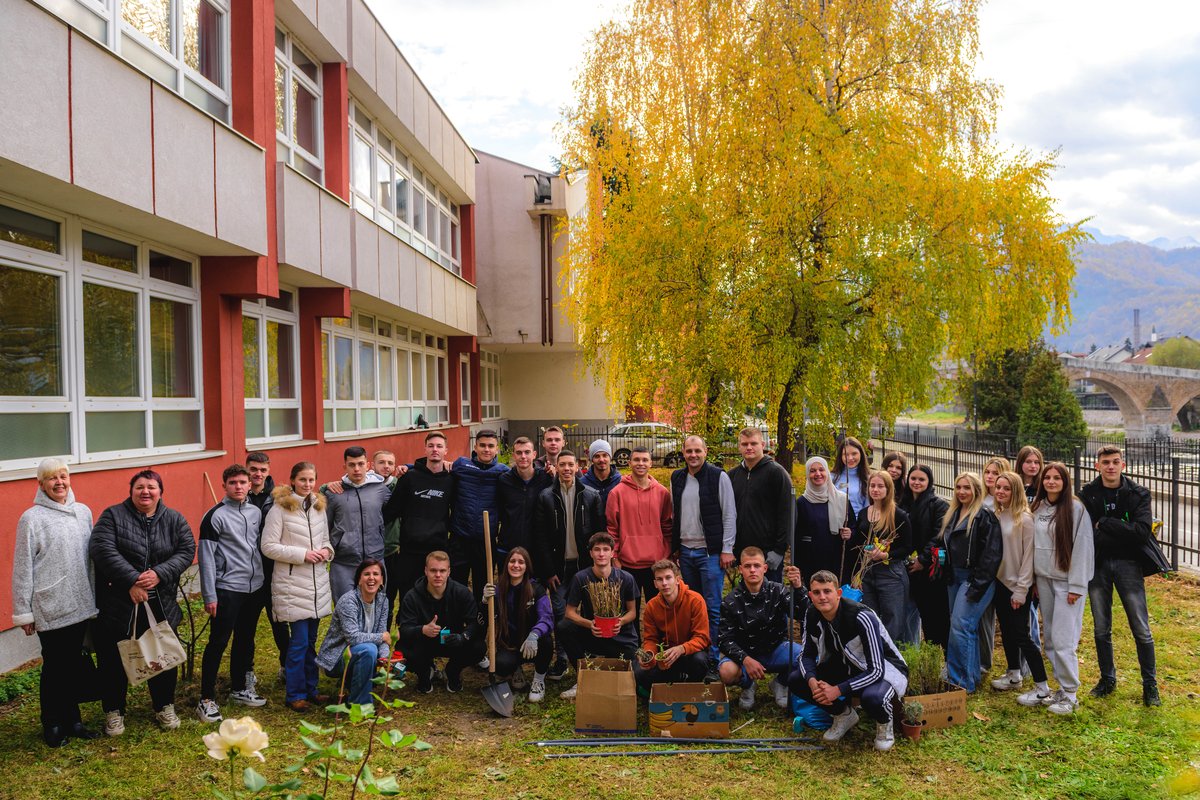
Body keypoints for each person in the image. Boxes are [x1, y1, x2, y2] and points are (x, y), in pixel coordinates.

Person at [90, 470, 195, 735]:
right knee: (113, 659)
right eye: (139, 487)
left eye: (151, 487)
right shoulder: (112, 516)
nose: (145, 492)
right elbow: (102, 548)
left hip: (161, 600)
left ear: (161, 492)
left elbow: (186, 549)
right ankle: (114, 712)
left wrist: (160, 573)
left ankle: (164, 706)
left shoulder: (173, 519)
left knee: (163, 655)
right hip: (119, 603)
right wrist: (131, 582)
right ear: (131, 490)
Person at [12, 458, 100, 746]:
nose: (59, 482)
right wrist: (23, 612)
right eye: (52, 478)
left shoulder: (83, 512)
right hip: (51, 604)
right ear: (41, 484)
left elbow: (90, 559)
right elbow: (23, 567)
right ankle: (52, 723)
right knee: (54, 667)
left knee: (74, 664)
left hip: (82, 603)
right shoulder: (31, 518)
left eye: (63, 476)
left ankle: (73, 721)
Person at [1079, 445, 1166, 706]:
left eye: (1115, 462)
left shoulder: (1138, 493)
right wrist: (1121, 529)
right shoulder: (1088, 494)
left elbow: (1141, 532)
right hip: (1099, 564)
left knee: (1140, 627)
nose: (1111, 467)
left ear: (1123, 465)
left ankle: (1150, 686)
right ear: (1097, 466)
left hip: (1129, 564)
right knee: (1101, 626)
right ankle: (1107, 679)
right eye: (1105, 462)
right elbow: (1086, 534)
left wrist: (1105, 522)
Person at [788, 570, 909, 752]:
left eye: (827, 591)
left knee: (873, 698)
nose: (822, 597)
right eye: (817, 592)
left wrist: (837, 690)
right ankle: (843, 715)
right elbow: (805, 655)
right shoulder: (811, 614)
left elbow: (876, 670)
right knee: (797, 679)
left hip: (884, 670)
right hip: (845, 666)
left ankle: (884, 724)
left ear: (838, 594)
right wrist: (813, 683)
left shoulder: (862, 616)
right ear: (810, 595)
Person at [260, 461, 335, 712]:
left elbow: (326, 539)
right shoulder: (280, 509)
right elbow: (268, 546)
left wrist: (327, 550)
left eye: (311, 480)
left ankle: (312, 689)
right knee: (299, 642)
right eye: (302, 479)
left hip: (316, 585)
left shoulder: (318, 506)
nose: (307, 484)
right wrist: (302, 554)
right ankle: (295, 693)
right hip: (293, 584)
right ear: (292, 480)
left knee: (311, 641)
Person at [197, 465, 268, 723]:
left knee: (245, 640)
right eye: (233, 483)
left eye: (242, 482)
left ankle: (239, 688)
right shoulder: (214, 516)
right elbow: (205, 558)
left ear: (250, 485)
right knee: (218, 642)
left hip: (254, 588)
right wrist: (209, 595)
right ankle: (206, 698)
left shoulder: (256, 512)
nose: (238, 487)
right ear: (225, 485)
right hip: (227, 589)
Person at [919, 472, 1001, 693]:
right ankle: (970, 677)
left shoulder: (984, 516)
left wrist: (978, 584)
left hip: (974, 579)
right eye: (959, 487)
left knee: (960, 627)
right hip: (954, 578)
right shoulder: (953, 513)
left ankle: (960, 681)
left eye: (967, 488)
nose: (962, 492)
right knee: (964, 627)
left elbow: (991, 555)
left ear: (976, 490)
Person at [532, 449, 605, 680]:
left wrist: (598, 566)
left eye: (570, 465)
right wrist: (548, 571)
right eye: (562, 464)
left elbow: (599, 533)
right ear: (558, 467)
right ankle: (563, 659)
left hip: (585, 567)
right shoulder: (545, 496)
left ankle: (590, 655)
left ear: (577, 467)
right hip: (558, 569)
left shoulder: (591, 495)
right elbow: (540, 538)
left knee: (590, 611)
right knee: (561, 615)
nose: (566, 469)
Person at [1027, 462, 1093, 715]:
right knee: (1052, 640)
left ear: (1065, 482)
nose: (1051, 482)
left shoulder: (1076, 509)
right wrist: (1033, 580)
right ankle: (1061, 689)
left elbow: (1084, 547)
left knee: (1065, 640)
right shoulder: (1038, 508)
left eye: (1057, 478)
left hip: (1068, 584)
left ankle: (1071, 694)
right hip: (1044, 581)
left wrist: (1077, 584)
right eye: (1047, 477)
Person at [671, 435, 737, 667]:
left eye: (697, 450)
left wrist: (727, 548)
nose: (693, 455)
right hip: (686, 552)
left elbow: (729, 514)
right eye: (689, 451)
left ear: (706, 451)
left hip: (710, 553)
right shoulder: (677, 477)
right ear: (683, 452)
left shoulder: (719, 477)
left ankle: (713, 656)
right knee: (692, 605)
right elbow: (675, 513)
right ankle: (696, 652)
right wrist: (675, 548)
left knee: (712, 607)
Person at [717, 548, 805, 711]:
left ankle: (780, 683)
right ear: (740, 569)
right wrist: (745, 659)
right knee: (726, 671)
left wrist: (799, 588)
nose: (752, 570)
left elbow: (802, 613)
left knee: (806, 658)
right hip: (745, 653)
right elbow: (724, 640)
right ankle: (748, 685)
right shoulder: (730, 600)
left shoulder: (778, 590)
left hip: (776, 648)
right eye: (748, 566)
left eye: (756, 565)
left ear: (765, 568)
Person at [382, 432, 454, 623]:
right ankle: (405, 639)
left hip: (437, 549)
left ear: (446, 451)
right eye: (431, 446)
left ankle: (434, 636)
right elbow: (391, 511)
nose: (435, 450)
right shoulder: (410, 477)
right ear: (425, 449)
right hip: (409, 549)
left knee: (436, 593)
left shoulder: (451, 480)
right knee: (408, 594)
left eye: (439, 446)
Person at [557, 533, 640, 700]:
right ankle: (584, 675)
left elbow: (633, 612)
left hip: (621, 637)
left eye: (605, 549)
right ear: (591, 554)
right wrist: (590, 624)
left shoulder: (626, 578)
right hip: (593, 634)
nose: (601, 554)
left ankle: (606, 668)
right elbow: (569, 612)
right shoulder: (581, 578)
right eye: (597, 550)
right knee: (563, 627)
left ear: (612, 553)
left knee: (636, 678)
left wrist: (620, 621)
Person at [988, 471, 1047, 697]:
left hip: (1016, 586)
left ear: (1016, 491)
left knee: (1022, 635)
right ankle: (1014, 674)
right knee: (1007, 632)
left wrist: (1022, 590)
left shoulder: (1024, 519)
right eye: (998, 487)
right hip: (999, 582)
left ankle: (1042, 686)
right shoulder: (997, 514)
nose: (1001, 491)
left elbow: (1028, 558)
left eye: (1006, 488)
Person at [397, 551, 485, 693]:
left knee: (478, 647)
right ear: (426, 571)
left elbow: (474, 623)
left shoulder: (462, 593)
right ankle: (425, 672)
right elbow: (404, 629)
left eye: (442, 570)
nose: (438, 575)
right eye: (433, 570)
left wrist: (463, 637)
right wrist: (422, 629)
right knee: (402, 647)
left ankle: (452, 671)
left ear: (449, 571)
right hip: (425, 642)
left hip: (453, 641)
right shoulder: (412, 596)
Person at [316, 560, 393, 705]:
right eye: (366, 574)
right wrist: (382, 637)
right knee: (369, 649)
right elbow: (353, 636)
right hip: (336, 658)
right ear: (359, 580)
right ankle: (361, 705)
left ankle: (354, 695)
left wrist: (385, 659)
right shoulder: (349, 601)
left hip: (361, 652)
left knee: (373, 650)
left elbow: (383, 635)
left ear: (382, 580)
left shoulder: (383, 601)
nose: (371, 578)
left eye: (376, 574)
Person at [484, 547, 555, 702]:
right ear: (506, 564)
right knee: (501, 665)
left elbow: (547, 618)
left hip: (533, 643)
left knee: (547, 642)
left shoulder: (537, 589)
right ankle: (516, 669)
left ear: (527, 566)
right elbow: (484, 618)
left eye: (521, 562)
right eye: (512, 561)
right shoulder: (497, 589)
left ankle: (538, 680)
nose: (516, 565)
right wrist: (485, 601)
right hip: (510, 644)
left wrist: (535, 634)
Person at [244, 451, 291, 685]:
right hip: (248, 572)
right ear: (247, 469)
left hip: (274, 570)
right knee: (247, 625)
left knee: (280, 622)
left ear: (268, 470)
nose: (258, 474)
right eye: (253, 469)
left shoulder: (280, 496)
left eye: (262, 470)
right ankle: (247, 671)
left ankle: (286, 665)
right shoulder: (239, 494)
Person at [449, 429, 509, 604]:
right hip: (460, 537)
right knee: (456, 585)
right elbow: (435, 468)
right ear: (475, 447)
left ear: (497, 449)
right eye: (482, 445)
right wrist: (407, 467)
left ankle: (480, 625)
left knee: (483, 587)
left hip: (486, 540)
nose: (486, 449)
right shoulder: (461, 465)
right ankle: (456, 625)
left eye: (491, 446)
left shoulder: (503, 472)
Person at [606, 447, 673, 604]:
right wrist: (614, 557)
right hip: (628, 563)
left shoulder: (662, 493)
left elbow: (667, 526)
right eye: (636, 460)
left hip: (656, 562)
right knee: (630, 612)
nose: (640, 463)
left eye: (644, 460)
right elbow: (612, 529)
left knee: (658, 609)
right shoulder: (617, 493)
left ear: (651, 463)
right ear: (629, 463)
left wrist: (667, 554)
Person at [324, 446, 390, 603]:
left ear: (368, 465)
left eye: (360, 464)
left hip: (375, 560)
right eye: (352, 465)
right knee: (345, 608)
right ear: (344, 467)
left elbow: (395, 511)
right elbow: (324, 526)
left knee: (374, 607)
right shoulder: (333, 493)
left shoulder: (381, 490)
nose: (357, 469)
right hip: (344, 562)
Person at [728, 427, 794, 583]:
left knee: (771, 599)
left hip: (768, 553)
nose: (749, 447)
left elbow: (787, 513)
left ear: (763, 445)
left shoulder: (777, 473)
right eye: (744, 444)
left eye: (753, 443)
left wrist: (778, 550)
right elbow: (728, 514)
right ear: (739, 446)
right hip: (741, 553)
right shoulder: (732, 476)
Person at [853, 471, 912, 645]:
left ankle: (891, 659)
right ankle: (874, 656)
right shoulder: (864, 513)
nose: (876, 490)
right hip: (868, 572)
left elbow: (907, 547)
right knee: (870, 617)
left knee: (892, 620)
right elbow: (859, 541)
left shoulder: (898, 515)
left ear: (888, 489)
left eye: (880, 486)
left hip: (891, 574)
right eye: (872, 486)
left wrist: (887, 554)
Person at [634, 560, 710, 691]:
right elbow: (651, 639)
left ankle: (690, 685)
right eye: (659, 579)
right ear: (655, 584)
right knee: (639, 672)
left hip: (689, 654)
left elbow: (702, 638)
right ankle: (675, 680)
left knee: (700, 660)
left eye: (668, 578)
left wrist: (681, 649)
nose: (664, 583)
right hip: (665, 658)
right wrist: (649, 656)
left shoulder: (695, 600)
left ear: (677, 579)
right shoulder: (652, 606)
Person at [903, 464, 949, 650]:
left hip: (930, 571)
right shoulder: (902, 503)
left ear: (929, 481)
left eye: (921, 479)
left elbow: (939, 535)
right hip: (907, 568)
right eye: (913, 478)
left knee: (935, 618)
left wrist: (922, 560)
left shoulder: (938, 505)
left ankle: (943, 658)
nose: (916, 482)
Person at [794, 457, 853, 587]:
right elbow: (797, 537)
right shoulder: (802, 503)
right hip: (812, 561)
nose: (818, 474)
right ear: (808, 475)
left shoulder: (842, 500)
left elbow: (853, 527)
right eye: (813, 471)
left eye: (821, 470)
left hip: (837, 560)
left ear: (827, 472)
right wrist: (798, 567)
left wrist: (850, 533)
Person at [496, 436, 554, 556]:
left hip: (537, 549)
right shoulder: (504, 481)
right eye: (519, 453)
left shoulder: (546, 478)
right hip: (509, 547)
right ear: (513, 455)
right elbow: (500, 510)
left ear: (534, 454)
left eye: (527, 452)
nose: (523, 456)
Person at [579, 439, 622, 514]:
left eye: (605, 455)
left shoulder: (620, 482)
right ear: (592, 459)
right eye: (597, 456)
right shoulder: (582, 484)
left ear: (610, 457)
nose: (601, 459)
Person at [831, 436, 871, 516]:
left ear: (861, 454)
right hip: (835, 524)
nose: (850, 458)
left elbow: (868, 508)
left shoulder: (868, 479)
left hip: (857, 525)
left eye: (854, 454)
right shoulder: (832, 477)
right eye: (845, 454)